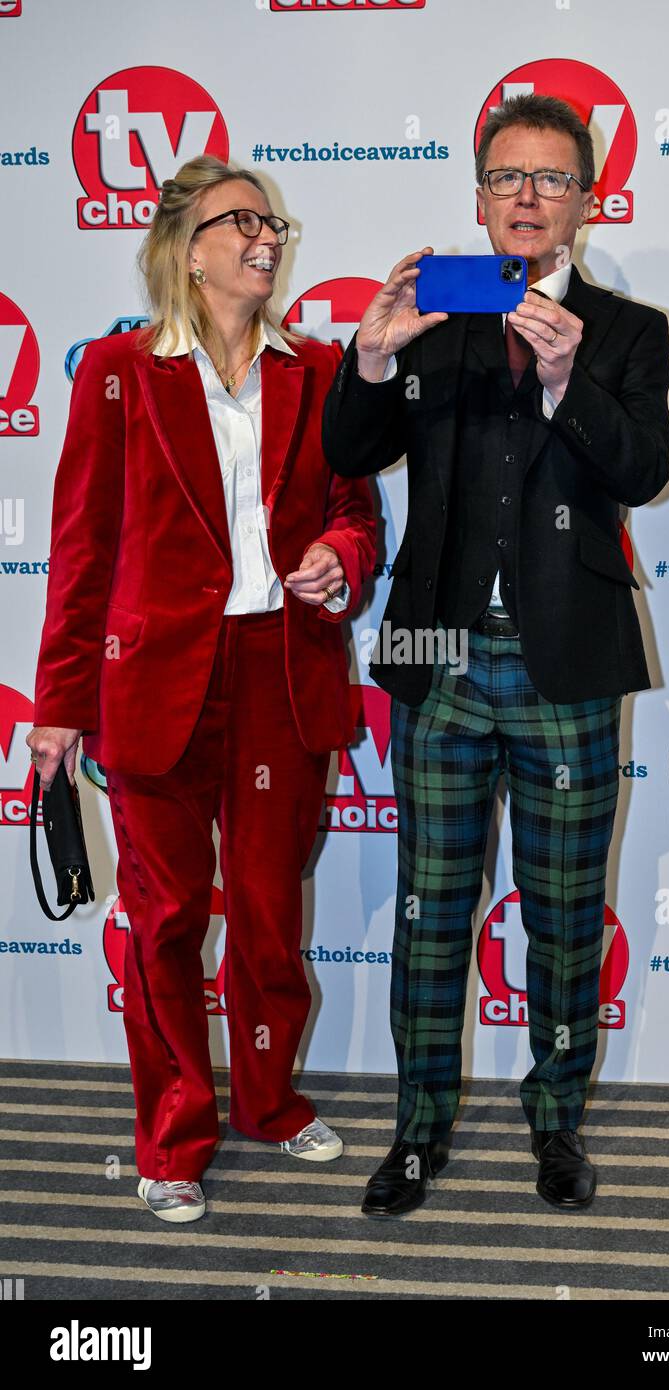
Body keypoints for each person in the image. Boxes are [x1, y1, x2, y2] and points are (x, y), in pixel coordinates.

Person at [323, 94, 669, 1217]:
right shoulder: (430, 315)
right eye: (507, 178)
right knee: (432, 905)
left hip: (566, 655)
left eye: (550, 179)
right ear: (477, 200)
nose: (527, 196)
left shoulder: (623, 329)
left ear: (585, 200)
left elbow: (637, 473)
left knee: (563, 910)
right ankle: (418, 1127)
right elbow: (347, 447)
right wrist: (370, 359)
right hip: (436, 654)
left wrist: (572, 381)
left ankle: (554, 1121)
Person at [27, 156, 376, 1223]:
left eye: (272, 222)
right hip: (158, 682)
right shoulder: (120, 373)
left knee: (271, 914)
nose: (265, 237)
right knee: (167, 919)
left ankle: (269, 1100)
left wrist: (338, 558)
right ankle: (172, 1131)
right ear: (188, 248)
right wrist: (58, 703)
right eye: (241, 223)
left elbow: (358, 510)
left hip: (279, 667)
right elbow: (83, 547)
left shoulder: (318, 370)